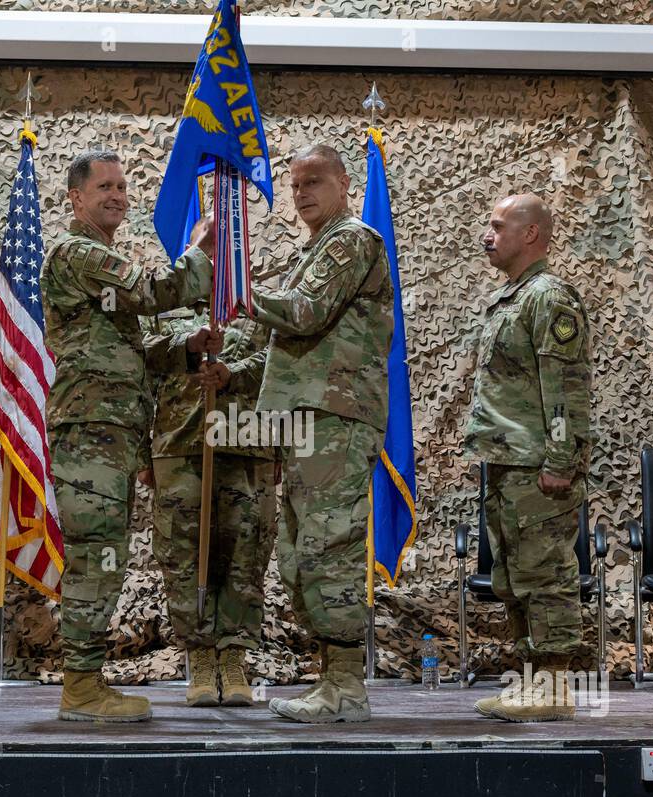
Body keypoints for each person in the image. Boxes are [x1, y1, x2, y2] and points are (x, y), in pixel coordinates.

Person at [42, 150, 221, 722]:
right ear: (76, 199)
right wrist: (201, 251)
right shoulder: (79, 253)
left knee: (105, 554)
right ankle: (81, 688)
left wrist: (186, 350)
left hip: (113, 431)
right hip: (90, 429)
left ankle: (87, 681)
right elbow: (151, 292)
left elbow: (135, 350)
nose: (117, 195)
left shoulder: (101, 265)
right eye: (104, 187)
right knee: (97, 553)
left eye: (123, 186)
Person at [243, 145, 394, 723]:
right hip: (309, 419)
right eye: (296, 184)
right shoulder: (317, 248)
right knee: (299, 554)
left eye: (314, 182)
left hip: (338, 417)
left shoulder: (353, 239)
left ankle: (347, 686)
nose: (302, 193)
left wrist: (238, 290)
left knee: (327, 548)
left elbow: (306, 313)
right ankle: (333, 678)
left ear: (343, 184)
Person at [464, 193, 592, 722]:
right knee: (513, 578)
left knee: (545, 575)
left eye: (498, 226)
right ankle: (534, 681)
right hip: (506, 464)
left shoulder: (549, 297)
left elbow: (564, 389)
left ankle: (557, 685)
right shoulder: (511, 298)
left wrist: (561, 461)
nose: (487, 235)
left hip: (538, 467)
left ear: (531, 234)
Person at [145, 303, 274, 706]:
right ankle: (200, 659)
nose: (215, 242)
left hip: (248, 444)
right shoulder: (163, 305)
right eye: (208, 238)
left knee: (245, 553)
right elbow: (141, 367)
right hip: (178, 445)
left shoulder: (259, 304)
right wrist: (139, 451)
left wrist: (282, 450)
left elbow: (280, 366)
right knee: (182, 554)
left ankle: (234, 659)